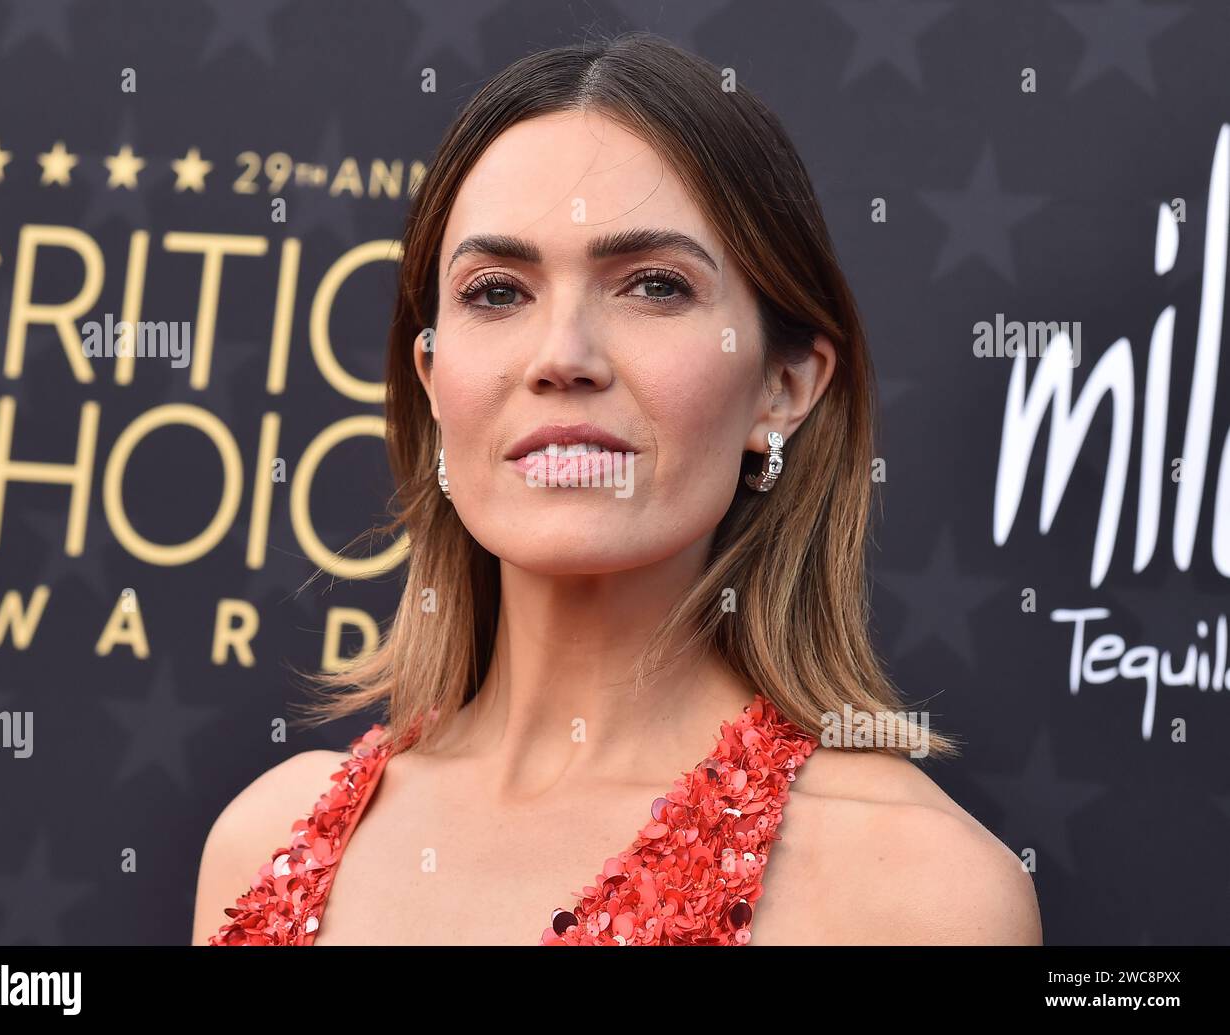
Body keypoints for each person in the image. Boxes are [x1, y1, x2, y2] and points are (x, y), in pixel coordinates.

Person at [192, 31, 1042, 946]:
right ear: (433, 381)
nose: (563, 357)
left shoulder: (917, 894)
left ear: (782, 387)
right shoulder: (265, 840)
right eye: (496, 292)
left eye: (653, 285)